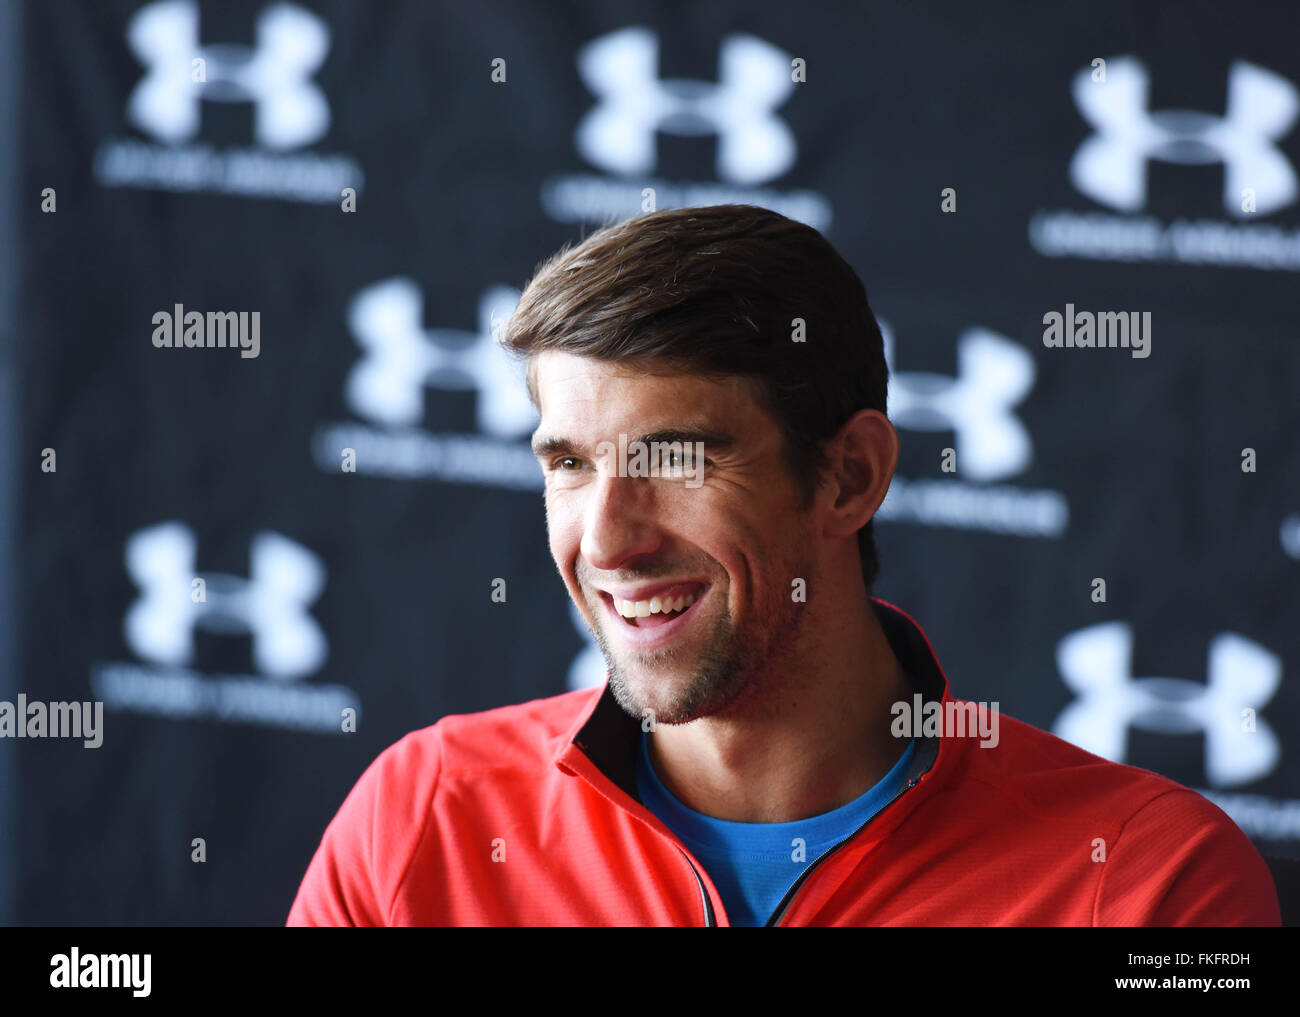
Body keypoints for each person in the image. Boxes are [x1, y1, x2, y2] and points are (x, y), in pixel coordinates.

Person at [287, 204, 1280, 926]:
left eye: (674, 461)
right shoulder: (423, 814)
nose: (606, 541)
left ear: (849, 477)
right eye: (569, 466)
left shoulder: (1152, 887)